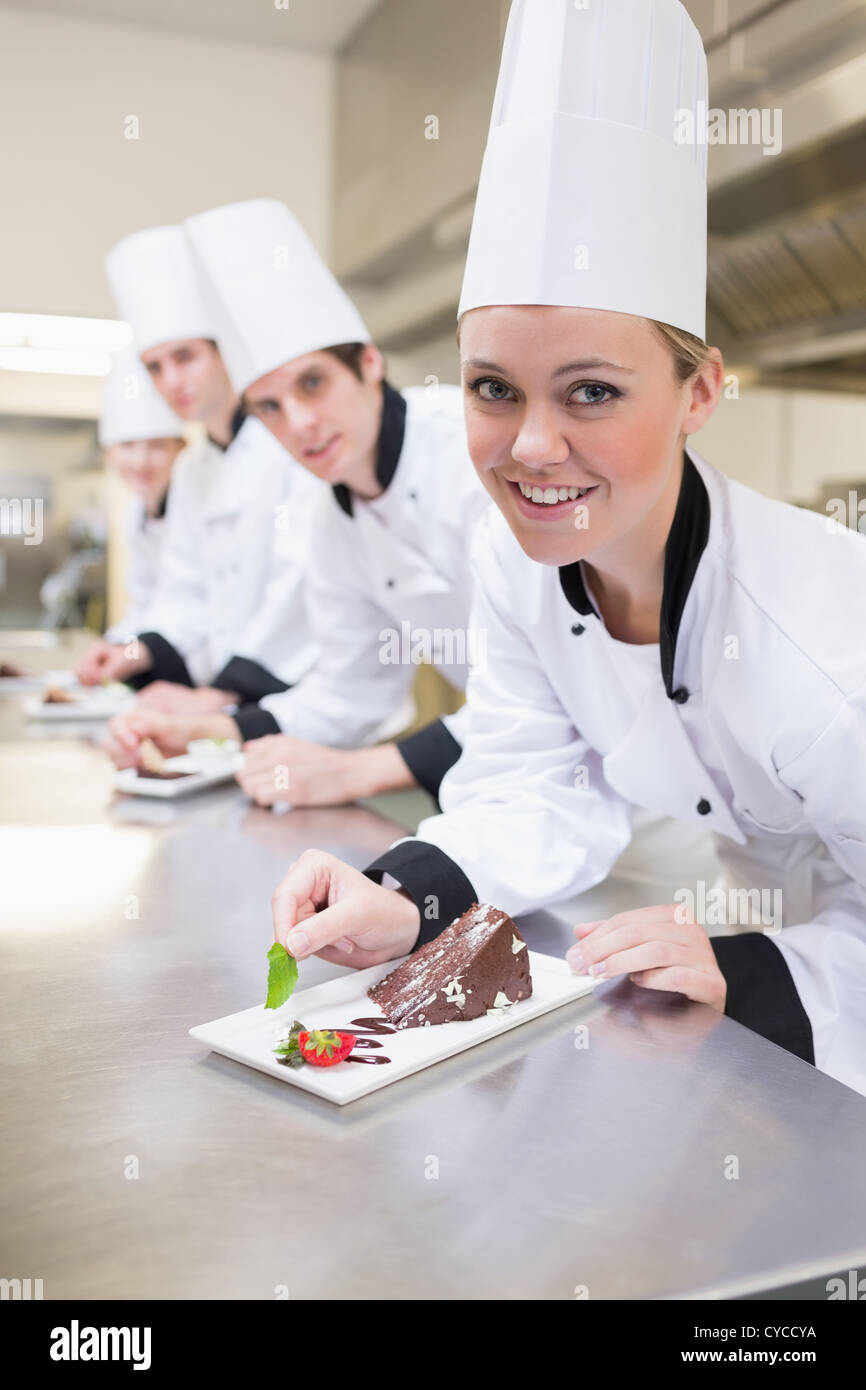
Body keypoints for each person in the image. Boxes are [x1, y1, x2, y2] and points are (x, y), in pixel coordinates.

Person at [267, 0, 866, 1097]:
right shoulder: (519, 569)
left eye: (591, 389)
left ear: (698, 393)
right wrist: (406, 898)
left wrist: (761, 969)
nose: (531, 447)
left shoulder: (827, 650)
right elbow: (531, 785)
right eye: (494, 388)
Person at [107, 198, 491, 807]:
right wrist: (202, 730)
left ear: (368, 364)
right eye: (270, 406)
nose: (301, 424)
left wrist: (358, 773)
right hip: (521, 794)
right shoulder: (334, 512)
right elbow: (348, 693)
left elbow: (542, 701)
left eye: (313, 383)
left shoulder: (469, 456)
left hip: (647, 814)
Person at [94, 223, 321, 750]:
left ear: (224, 351)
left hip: (296, 703)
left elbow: (299, 585)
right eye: (155, 366)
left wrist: (224, 690)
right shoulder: (194, 467)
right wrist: (136, 652)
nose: (171, 381)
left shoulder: (291, 443)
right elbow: (184, 591)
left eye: (185, 357)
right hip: (225, 703)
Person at [76, 347, 185, 682]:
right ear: (109, 453)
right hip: (161, 659)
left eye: (156, 446)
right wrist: (111, 647)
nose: (140, 461)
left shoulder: (194, 509)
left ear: (181, 448)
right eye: (127, 446)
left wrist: (131, 651)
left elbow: (189, 607)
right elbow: (144, 605)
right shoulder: (135, 514)